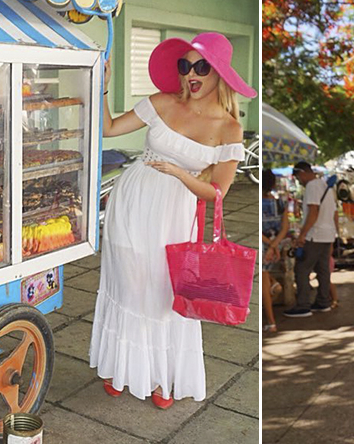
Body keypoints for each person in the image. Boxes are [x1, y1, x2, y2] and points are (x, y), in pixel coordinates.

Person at [91, 32, 254, 410]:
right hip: (132, 202)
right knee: (128, 284)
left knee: (164, 291)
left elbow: (217, 192)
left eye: (201, 67)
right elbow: (109, 129)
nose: (191, 75)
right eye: (185, 66)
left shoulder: (229, 128)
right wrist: (103, 85)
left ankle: (162, 377)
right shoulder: (162, 102)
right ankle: (120, 368)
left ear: (219, 73)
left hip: (175, 213)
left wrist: (180, 173)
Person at [283, 162, 335, 318]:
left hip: (315, 234)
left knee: (302, 269)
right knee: (323, 269)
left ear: (303, 173)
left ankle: (303, 305)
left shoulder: (312, 186)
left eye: (298, 178)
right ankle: (323, 301)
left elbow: (313, 212)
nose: (299, 182)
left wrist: (302, 235)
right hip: (327, 234)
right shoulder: (324, 185)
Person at [262, 169, 291, 332]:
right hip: (275, 245)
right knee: (264, 278)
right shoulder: (281, 204)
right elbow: (285, 228)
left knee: (263, 283)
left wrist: (269, 245)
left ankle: (271, 322)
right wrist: (275, 245)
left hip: (264, 245)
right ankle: (274, 285)